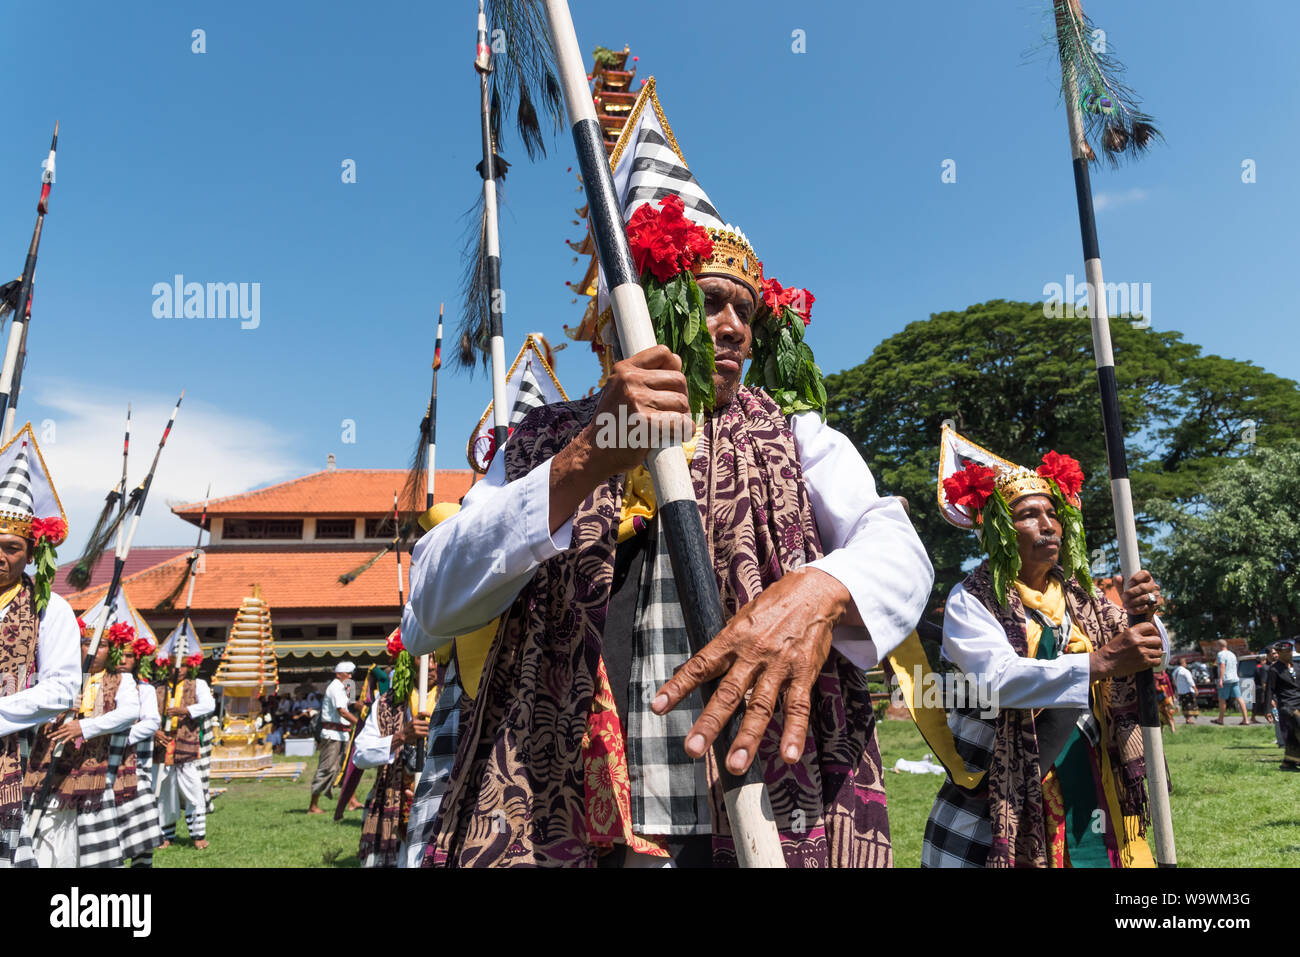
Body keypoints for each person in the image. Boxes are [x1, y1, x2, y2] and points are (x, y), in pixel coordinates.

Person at [403, 79, 932, 868]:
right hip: (574, 829)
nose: (732, 328)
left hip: (759, 819)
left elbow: (898, 546)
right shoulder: (543, 438)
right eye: (709, 301)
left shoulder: (793, 435)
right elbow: (428, 608)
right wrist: (586, 458)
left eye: (745, 312)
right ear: (644, 306)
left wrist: (825, 588)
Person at [922, 433, 1168, 867]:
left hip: (1091, 770)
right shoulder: (972, 599)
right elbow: (998, 680)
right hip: (1006, 782)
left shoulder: (1082, 594)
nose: (1048, 524)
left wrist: (1142, 617)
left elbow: (1152, 649)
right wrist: (1102, 661)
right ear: (999, 528)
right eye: (1029, 515)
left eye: (1052, 513)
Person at [0, 428, 82, 868]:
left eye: (11, 547)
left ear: (32, 553)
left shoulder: (51, 610)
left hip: (11, 761)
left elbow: (62, 689)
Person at [24, 615, 140, 867]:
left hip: (91, 775)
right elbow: (30, 712)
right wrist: (57, 707)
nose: (94, 649)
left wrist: (83, 726)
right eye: (87, 642)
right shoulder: (56, 679)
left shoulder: (123, 680)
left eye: (102, 644)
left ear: (112, 650)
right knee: (43, 830)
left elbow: (129, 714)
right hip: (48, 769)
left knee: (88, 844)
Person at [352, 632, 429, 866]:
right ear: (407, 659)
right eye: (425, 657)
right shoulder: (386, 704)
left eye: (437, 658)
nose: (432, 665)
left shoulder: (456, 700)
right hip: (393, 805)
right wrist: (399, 738)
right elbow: (360, 755)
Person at [152, 632, 216, 849]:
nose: (177, 670)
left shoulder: (198, 685)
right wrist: (155, 731)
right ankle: (164, 835)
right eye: (172, 665)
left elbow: (209, 705)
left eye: (181, 666)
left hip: (185, 747)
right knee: (163, 793)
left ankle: (198, 836)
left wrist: (185, 710)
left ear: (190, 666)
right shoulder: (158, 687)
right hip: (161, 749)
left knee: (194, 790)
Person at [118, 635, 165, 867]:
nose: (124, 660)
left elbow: (150, 722)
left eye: (129, 656)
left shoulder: (144, 690)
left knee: (142, 826)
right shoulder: (94, 685)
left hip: (138, 767)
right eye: (120, 654)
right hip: (103, 767)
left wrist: (116, 739)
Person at [309, 661, 358, 814]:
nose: (350, 676)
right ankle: (313, 806)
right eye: (347, 673)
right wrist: (360, 723)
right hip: (332, 735)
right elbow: (342, 711)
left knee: (346, 767)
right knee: (327, 768)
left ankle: (352, 801)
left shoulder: (346, 686)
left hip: (343, 733)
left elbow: (352, 704)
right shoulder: (335, 687)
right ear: (339, 674)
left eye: (351, 674)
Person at [1268, 639, 1300, 771]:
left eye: (1290, 651)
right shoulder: (1274, 669)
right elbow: (1269, 690)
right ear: (1279, 653)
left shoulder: (1297, 666)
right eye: (1286, 652)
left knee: (1293, 734)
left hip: (1299, 702)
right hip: (1287, 705)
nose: (1289, 654)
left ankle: (1289, 763)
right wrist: (1268, 708)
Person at [1213, 640, 1252, 725]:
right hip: (1234, 678)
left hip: (1226, 679)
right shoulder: (1232, 654)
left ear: (1220, 645)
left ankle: (1220, 719)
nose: (1216, 647)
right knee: (1239, 698)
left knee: (1222, 699)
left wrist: (1220, 679)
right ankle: (1246, 719)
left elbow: (1222, 666)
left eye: (1216, 645)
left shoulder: (1220, 654)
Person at [1171, 660, 1199, 724]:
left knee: (1184, 706)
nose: (1186, 664)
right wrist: (1195, 689)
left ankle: (1187, 719)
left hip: (1180, 691)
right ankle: (1189, 719)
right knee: (1190, 705)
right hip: (1188, 690)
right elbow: (1190, 681)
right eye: (1185, 662)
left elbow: (1173, 683)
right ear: (1183, 663)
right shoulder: (1185, 671)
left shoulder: (1174, 672)